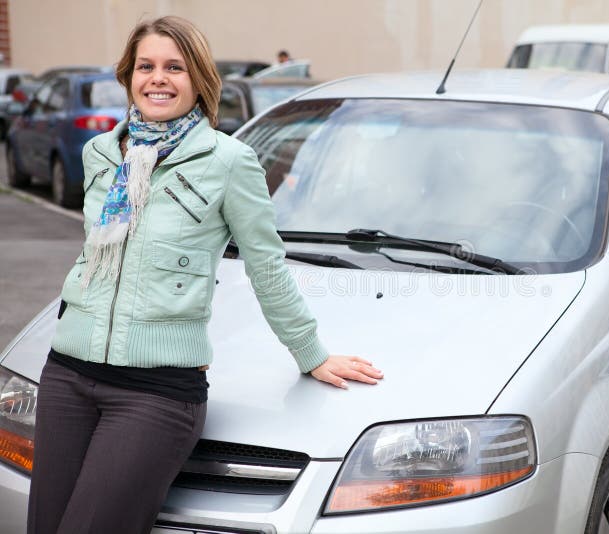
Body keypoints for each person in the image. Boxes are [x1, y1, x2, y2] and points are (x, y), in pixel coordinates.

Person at [27, 15, 382, 534]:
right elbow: (94, 256)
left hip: (154, 393)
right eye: (145, 66)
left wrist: (312, 353)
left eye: (175, 67)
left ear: (198, 80)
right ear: (128, 76)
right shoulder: (101, 153)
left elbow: (266, 264)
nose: (158, 78)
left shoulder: (228, 161)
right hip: (67, 376)